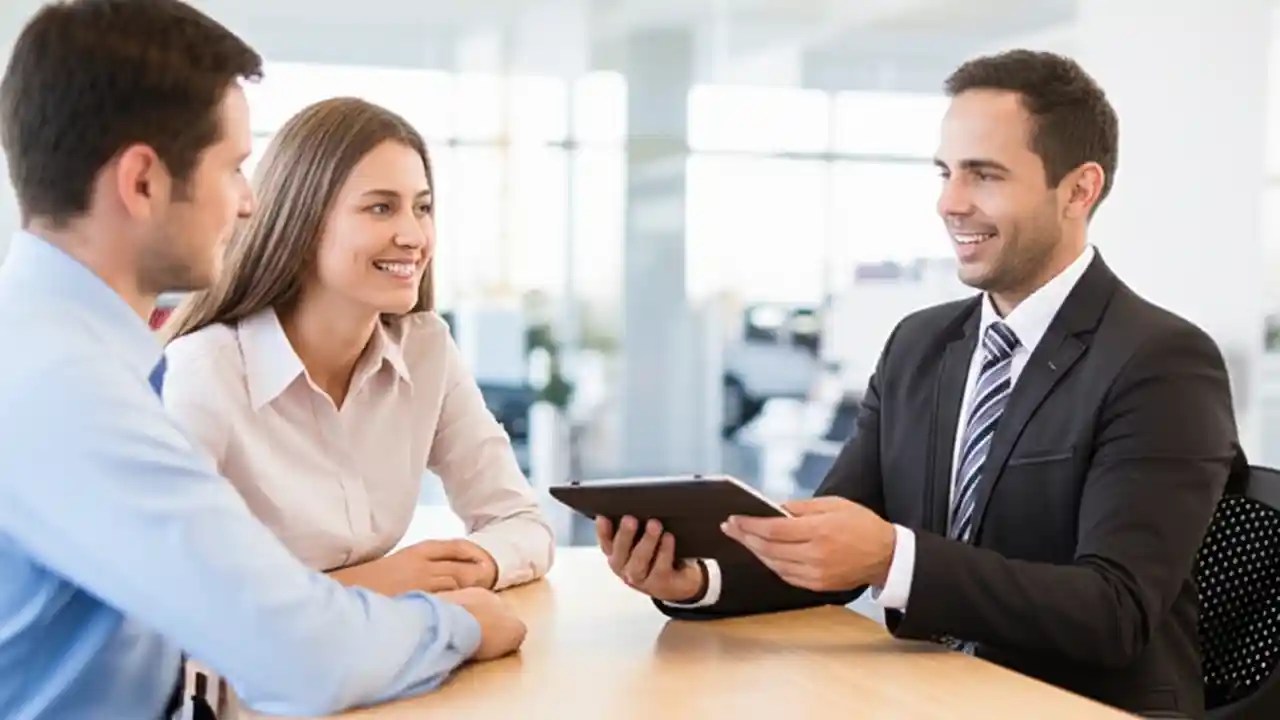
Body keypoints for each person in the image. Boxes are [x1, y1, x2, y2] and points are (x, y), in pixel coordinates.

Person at [597, 49, 1239, 718]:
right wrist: (699, 579)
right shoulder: (920, 345)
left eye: (984, 175)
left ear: (1079, 189)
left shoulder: (1162, 362)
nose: (950, 203)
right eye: (946, 172)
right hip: (928, 694)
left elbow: (1115, 610)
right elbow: (826, 548)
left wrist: (892, 557)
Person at [0, 2, 524, 718]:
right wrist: (462, 625)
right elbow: (298, 653)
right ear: (143, 182)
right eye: (234, 167)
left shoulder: (60, 354)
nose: (249, 204)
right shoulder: (64, 388)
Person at [160, 96, 554, 598]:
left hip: (370, 659)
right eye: (381, 208)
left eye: (423, 208)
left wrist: (468, 567)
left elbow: (520, 520)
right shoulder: (201, 375)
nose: (413, 235)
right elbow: (170, 593)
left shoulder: (425, 350)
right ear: (303, 222)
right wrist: (375, 585)